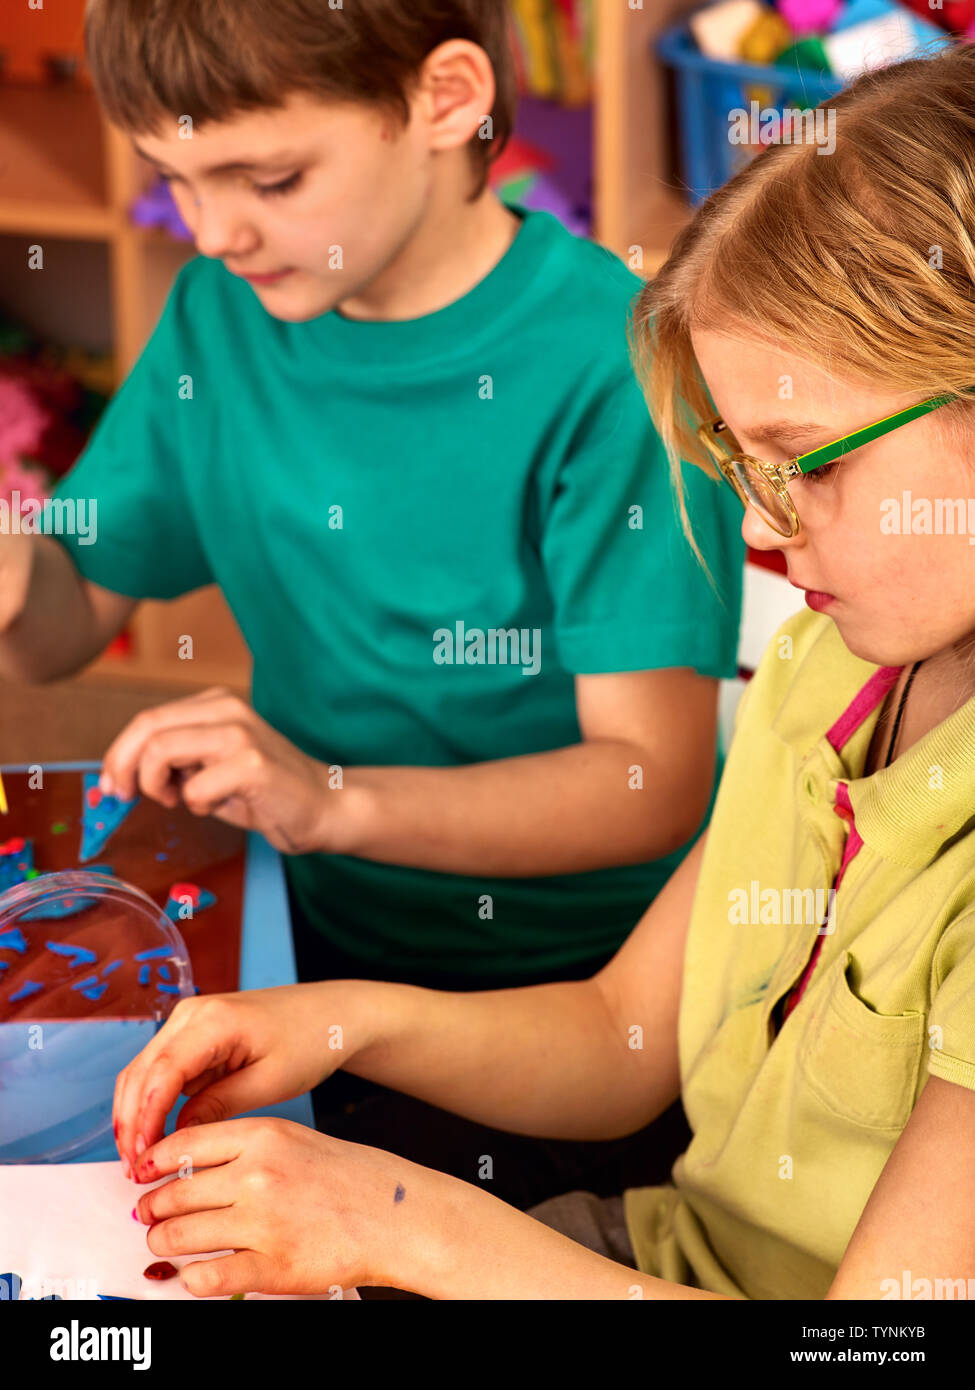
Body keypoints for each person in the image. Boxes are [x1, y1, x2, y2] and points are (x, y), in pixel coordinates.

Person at [108, 44, 975, 1299]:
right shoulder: (825, 663)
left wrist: (402, 1222)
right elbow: (624, 1037)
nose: (757, 534)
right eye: (746, 464)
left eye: (814, 461)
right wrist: (337, 1019)